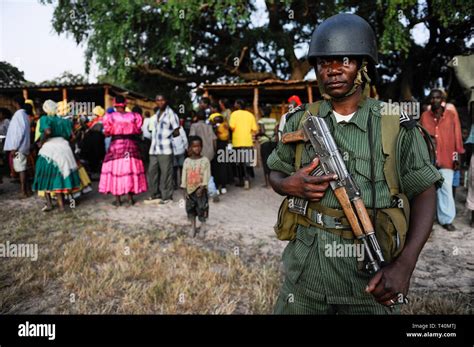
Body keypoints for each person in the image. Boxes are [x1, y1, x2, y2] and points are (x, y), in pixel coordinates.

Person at [267, 13, 443, 314]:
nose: (333, 70)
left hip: (370, 280)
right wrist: (287, 184)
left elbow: (425, 191)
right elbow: (275, 170)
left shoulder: (394, 124)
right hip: (306, 276)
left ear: (362, 67)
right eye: (324, 62)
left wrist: (405, 265)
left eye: (345, 61)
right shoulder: (299, 120)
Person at [420, 89, 465, 231]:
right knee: (428, 191)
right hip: (429, 160)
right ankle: (428, 220)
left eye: (437, 98)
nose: (435, 101)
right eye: (432, 98)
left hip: (447, 158)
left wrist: (456, 158)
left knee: (445, 189)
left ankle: (446, 220)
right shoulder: (425, 116)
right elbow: (420, 137)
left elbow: (457, 137)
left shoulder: (451, 115)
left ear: (442, 99)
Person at [32, 100, 81, 211]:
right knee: (61, 175)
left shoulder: (45, 119)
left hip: (50, 149)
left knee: (44, 175)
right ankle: (62, 205)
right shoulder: (64, 121)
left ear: (45, 109)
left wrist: (41, 142)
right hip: (64, 148)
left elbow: (48, 131)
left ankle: (50, 205)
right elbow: (73, 137)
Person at [99, 96, 147, 206]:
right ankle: (130, 199)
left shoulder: (110, 117)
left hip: (116, 146)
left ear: (115, 104)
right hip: (130, 146)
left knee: (117, 170)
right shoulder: (135, 116)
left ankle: (118, 200)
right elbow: (138, 131)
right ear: (125, 104)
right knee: (129, 169)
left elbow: (106, 133)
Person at [146, 94, 180, 204]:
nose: (160, 102)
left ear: (166, 101)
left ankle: (167, 197)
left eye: (162, 100)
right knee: (152, 172)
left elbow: (177, 131)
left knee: (166, 173)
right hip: (154, 148)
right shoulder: (156, 114)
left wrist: (167, 136)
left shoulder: (171, 114)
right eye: (158, 100)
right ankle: (155, 194)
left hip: (165, 148)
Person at [181, 136, 211, 237]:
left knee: (202, 208)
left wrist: (202, 187)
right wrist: (184, 190)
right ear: (190, 147)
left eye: (199, 146)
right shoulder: (187, 161)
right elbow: (184, 176)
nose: (197, 148)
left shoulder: (205, 160)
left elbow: (207, 175)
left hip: (201, 191)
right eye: (194, 146)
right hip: (190, 190)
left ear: (202, 147)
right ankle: (193, 227)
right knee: (190, 209)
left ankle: (202, 227)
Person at [4, 96, 32, 198]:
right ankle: (27, 190)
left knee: (21, 170)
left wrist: (14, 147)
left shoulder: (18, 115)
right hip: (23, 147)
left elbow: (18, 133)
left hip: (19, 148)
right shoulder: (24, 114)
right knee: (23, 169)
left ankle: (23, 192)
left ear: (16, 103)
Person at [229, 99, 258, 189]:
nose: (234, 105)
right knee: (247, 163)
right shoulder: (250, 115)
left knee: (238, 163)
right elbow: (254, 129)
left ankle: (241, 181)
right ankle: (247, 181)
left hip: (237, 142)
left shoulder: (234, 114)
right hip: (248, 142)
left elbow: (232, 127)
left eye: (235, 103)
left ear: (238, 105)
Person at [209, 103, 232, 194]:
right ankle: (223, 186)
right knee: (223, 166)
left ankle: (217, 185)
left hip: (216, 145)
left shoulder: (212, 117)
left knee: (215, 166)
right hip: (224, 145)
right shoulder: (224, 121)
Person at [257, 105, 277, 187]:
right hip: (273, 142)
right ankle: (274, 183)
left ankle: (267, 184)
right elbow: (276, 132)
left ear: (263, 112)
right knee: (272, 161)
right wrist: (271, 137)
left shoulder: (261, 121)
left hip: (265, 142)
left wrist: (257, 134)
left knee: (265, 162)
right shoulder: (274, 120)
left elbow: (262, 131)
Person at [172, 125, 188, 189]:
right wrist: (186, 147)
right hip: (181, 151)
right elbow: (185, 139)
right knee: (182, 168)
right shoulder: (181, 129)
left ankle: (175, 184)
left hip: (173, 152)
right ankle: (182, 183)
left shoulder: (169, 128)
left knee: (174, 169)